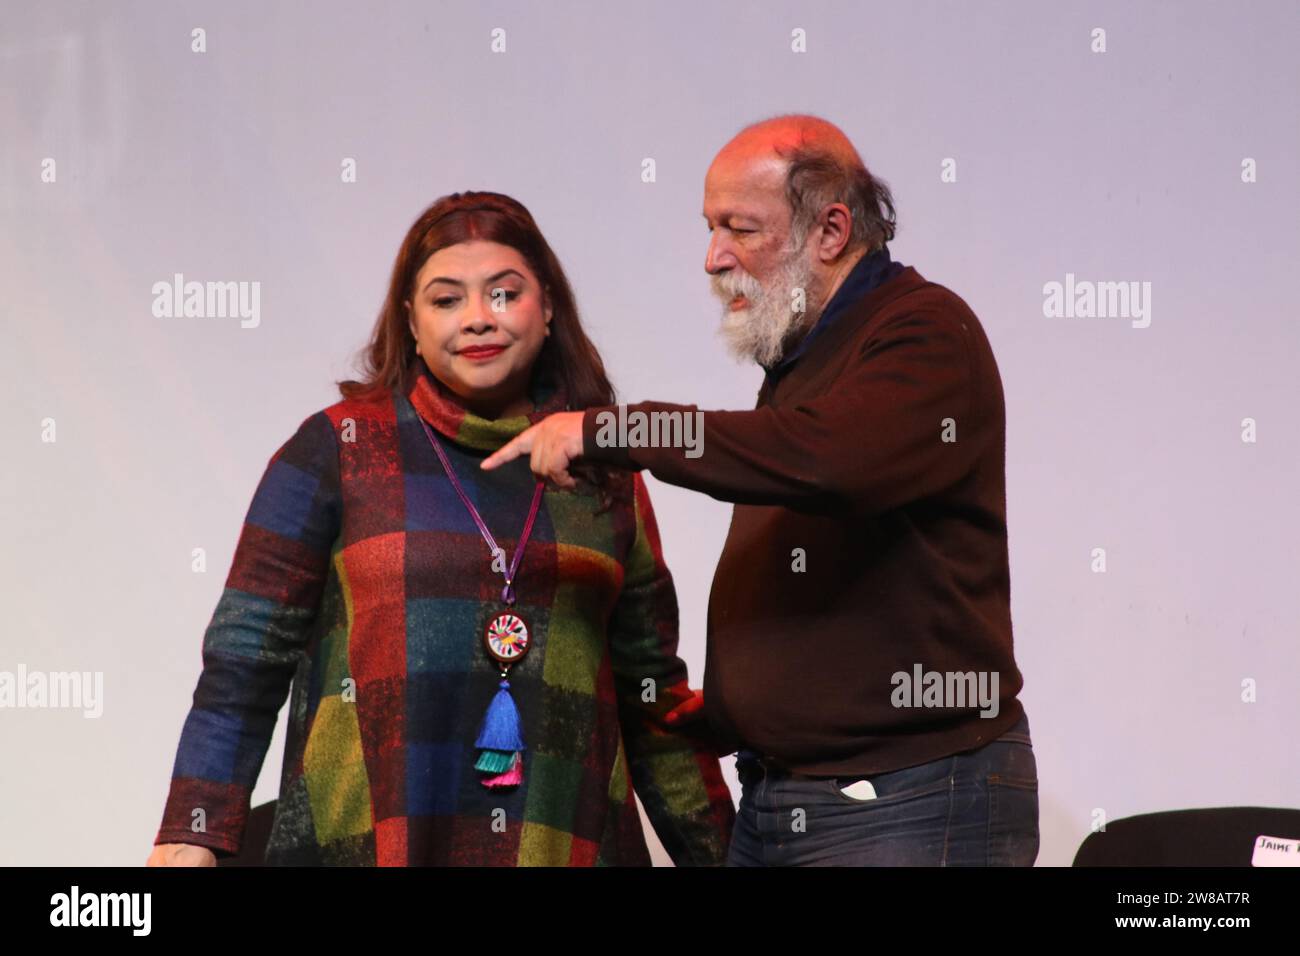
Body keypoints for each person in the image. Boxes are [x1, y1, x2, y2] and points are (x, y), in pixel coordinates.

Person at [482, 115, 1040, 866]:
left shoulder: (924, 331)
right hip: (795, 798)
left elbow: (826, 462)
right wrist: (752, 704)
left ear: (831, 230)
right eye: (712, 228)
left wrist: (613, 431)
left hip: (902, 800)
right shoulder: (808, 358)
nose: (715, 258)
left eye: (740, 228)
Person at [148, 191, 734, 866]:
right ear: (412, 323)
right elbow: (242, 664)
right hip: (372, 842)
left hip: (562, 842)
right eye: (447, 299)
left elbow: (651, 699)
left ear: (547, 308)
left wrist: (725, 855)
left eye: (504, 294)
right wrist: (193, 829)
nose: (478, 319)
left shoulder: (605, 473)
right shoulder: (338, 449)